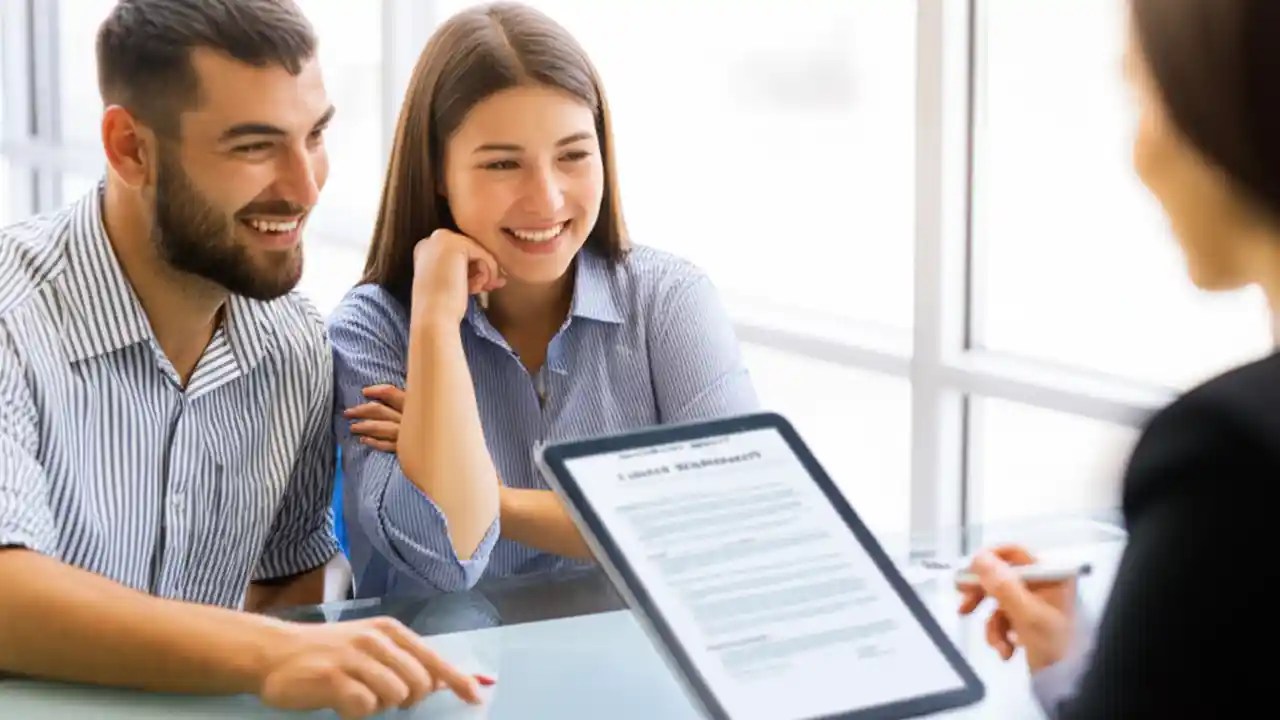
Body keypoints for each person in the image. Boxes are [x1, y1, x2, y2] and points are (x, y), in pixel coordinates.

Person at [0, 1, 480, 717]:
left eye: (315, 135)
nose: (305, 187)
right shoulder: (12, 319)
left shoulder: (294, 345)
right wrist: (267, 655)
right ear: (130, 149)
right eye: (255, 147)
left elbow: (289, 581)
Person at [329, 1, 759, 599]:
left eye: (573, 155)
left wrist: (484, 492)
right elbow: (445, 555)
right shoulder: (373, 329)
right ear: (437, 172)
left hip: (635, 656)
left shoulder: (668, 300)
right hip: (444, 660)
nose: (547, 198)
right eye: (503, 163)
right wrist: (434, 321)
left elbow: (740, 519)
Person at [957, 0, 1279, 716]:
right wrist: (1088, 666)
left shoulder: (1228, 458)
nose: (1140, 156)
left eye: (1146, 97)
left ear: (1228, 106)